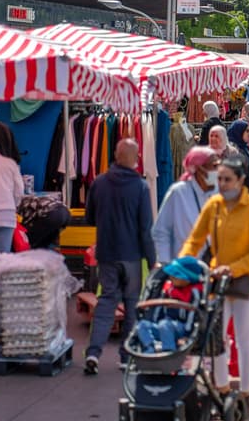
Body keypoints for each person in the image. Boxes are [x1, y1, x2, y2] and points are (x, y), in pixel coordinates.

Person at [179, 155, 249, 409]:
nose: (222, 184)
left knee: (242, 337)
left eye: (227, 179)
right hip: (220, 280)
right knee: (215, 336)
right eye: (219, 179)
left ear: (241, 181)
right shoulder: (215, 204)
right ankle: (221, 388)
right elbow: (195, 240)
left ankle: (245, 392)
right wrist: (181, 263)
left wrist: (233, 268)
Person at [83, 139, 156, 376]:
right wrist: (152, 259)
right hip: (132, 255)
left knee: (107, 301)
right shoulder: (141, 187)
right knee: (132, 304)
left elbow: (89, 219)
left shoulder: (99, 183)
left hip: (106, 252)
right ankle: (126, 356)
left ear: (115, 154)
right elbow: (145, 229)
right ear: (136, 159)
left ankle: (94, 352)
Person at [153, 146, 219, 265]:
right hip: (183, 266)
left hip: (215, 267)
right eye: (214, 166)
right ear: (199, 168)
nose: (218, 170)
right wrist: (165, 262)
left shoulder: (220, 192)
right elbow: (161, 230)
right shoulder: (178, 192)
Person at [134, 256, 206, 354]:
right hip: (164, 324)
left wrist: (188, 335)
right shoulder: (169, 288)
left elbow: (192, 315)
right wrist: (153, 320)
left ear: (187, 280)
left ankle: (168, 351)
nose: (171, 278)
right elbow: (159, 307)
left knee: (165, 325)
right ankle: (149, 348)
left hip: (182, 327)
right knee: (142, 325)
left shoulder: (194, 292)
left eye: (175, 276)